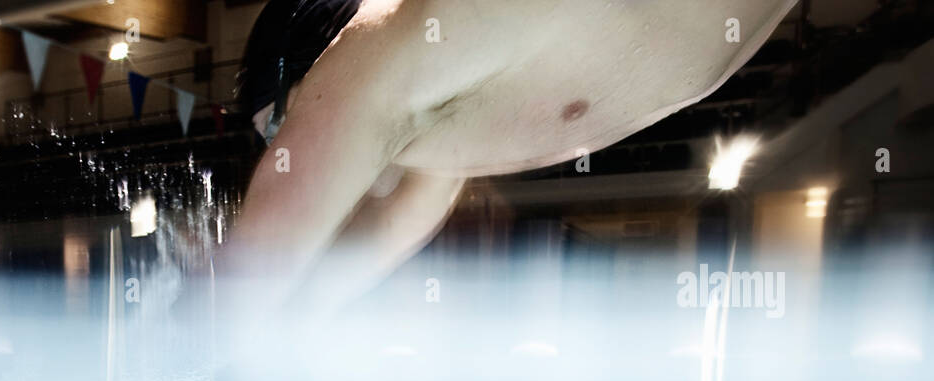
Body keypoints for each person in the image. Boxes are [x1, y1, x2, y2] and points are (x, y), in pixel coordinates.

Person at [215, 0, 798, 330]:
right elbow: (349, 265)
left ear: (313, 74)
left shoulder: (369, 53)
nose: (282, 153)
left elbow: (244, 290)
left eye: (279, 131)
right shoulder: (438, 135)